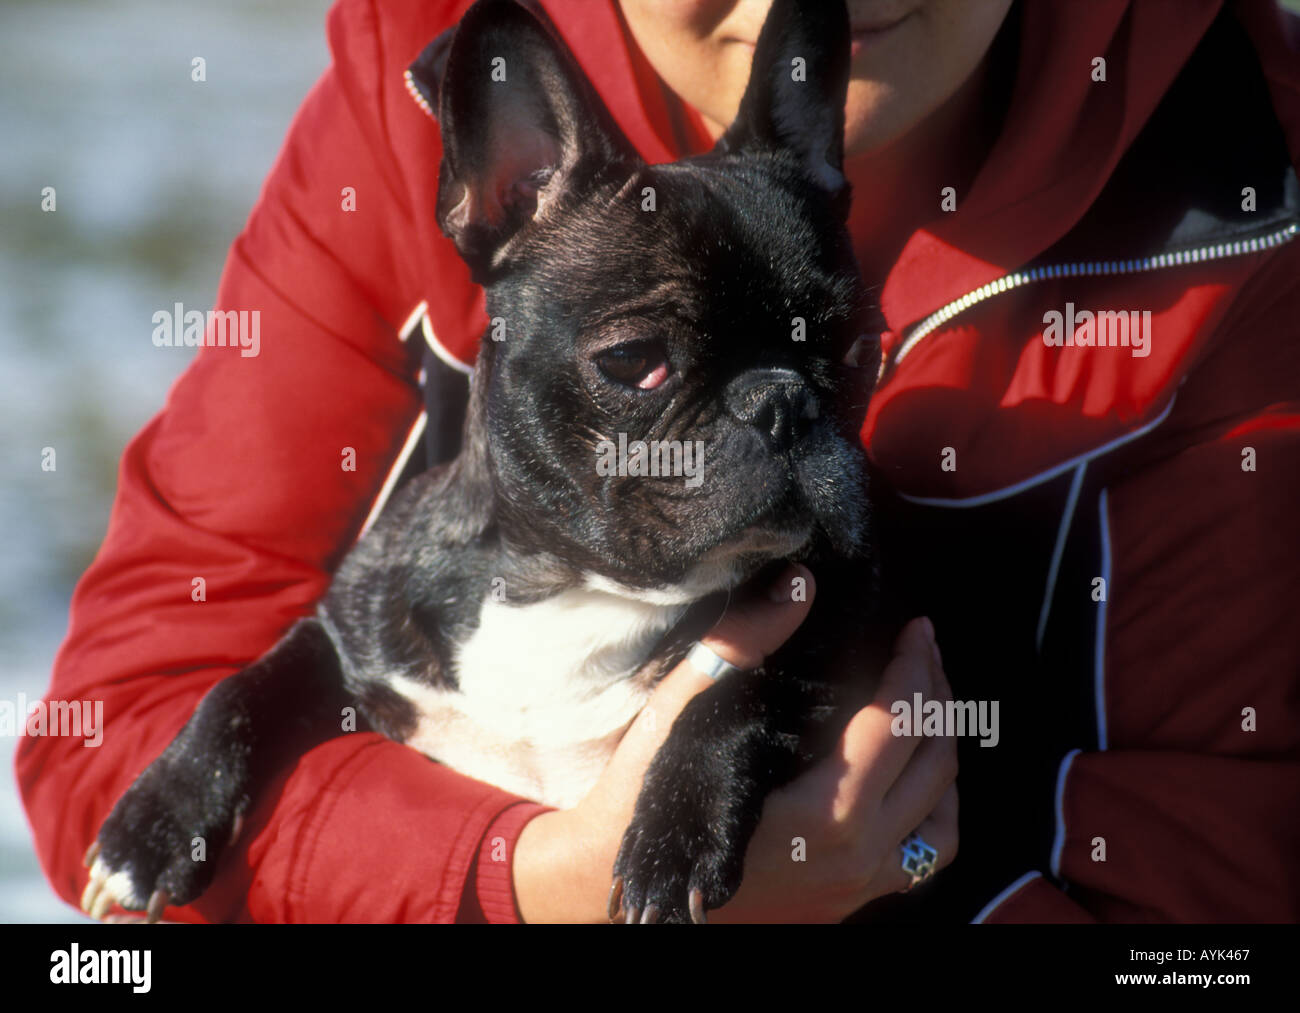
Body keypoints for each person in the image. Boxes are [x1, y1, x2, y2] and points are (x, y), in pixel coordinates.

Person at [19, 0, 1300, 923]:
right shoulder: (441, 81)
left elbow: (1218, 895)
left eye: (827, 359)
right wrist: (522, 882)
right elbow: (107, 751)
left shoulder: (1247, 203)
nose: (775, 416)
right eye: (640, 365)